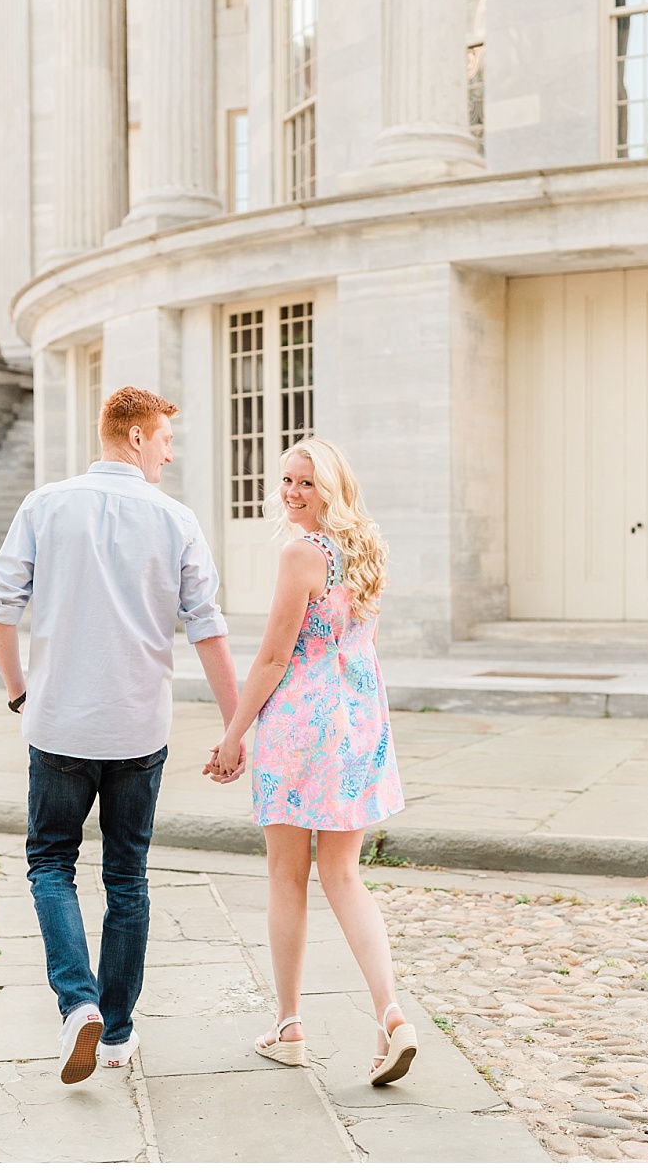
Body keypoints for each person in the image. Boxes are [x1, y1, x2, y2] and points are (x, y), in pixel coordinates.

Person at [0, 387, 239, 1084]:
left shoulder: (45, 504)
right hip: (137, 730)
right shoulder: (177, 518)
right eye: (163, 439)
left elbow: (0, 609)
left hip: (59, 722)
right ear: (133, 437)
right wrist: (235, 724)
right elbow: (207, 626)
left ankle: (77, 1004)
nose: (168, 451)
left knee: (50, 865)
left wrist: (18, 691)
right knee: (127, 876)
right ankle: (118, 1032)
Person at [203, 437, 414, 1086]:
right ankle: (392, 1014)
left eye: (306, 483)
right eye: (287, 480)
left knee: (287, 875)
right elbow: (364, 641)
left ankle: (289, 1023)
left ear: (331, 488)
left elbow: (272, 659)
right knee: (344, 876)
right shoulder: (366, 547)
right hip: (359, 722)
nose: (292, 492)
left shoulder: (303, 554)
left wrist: (234, 735)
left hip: (301, 727)